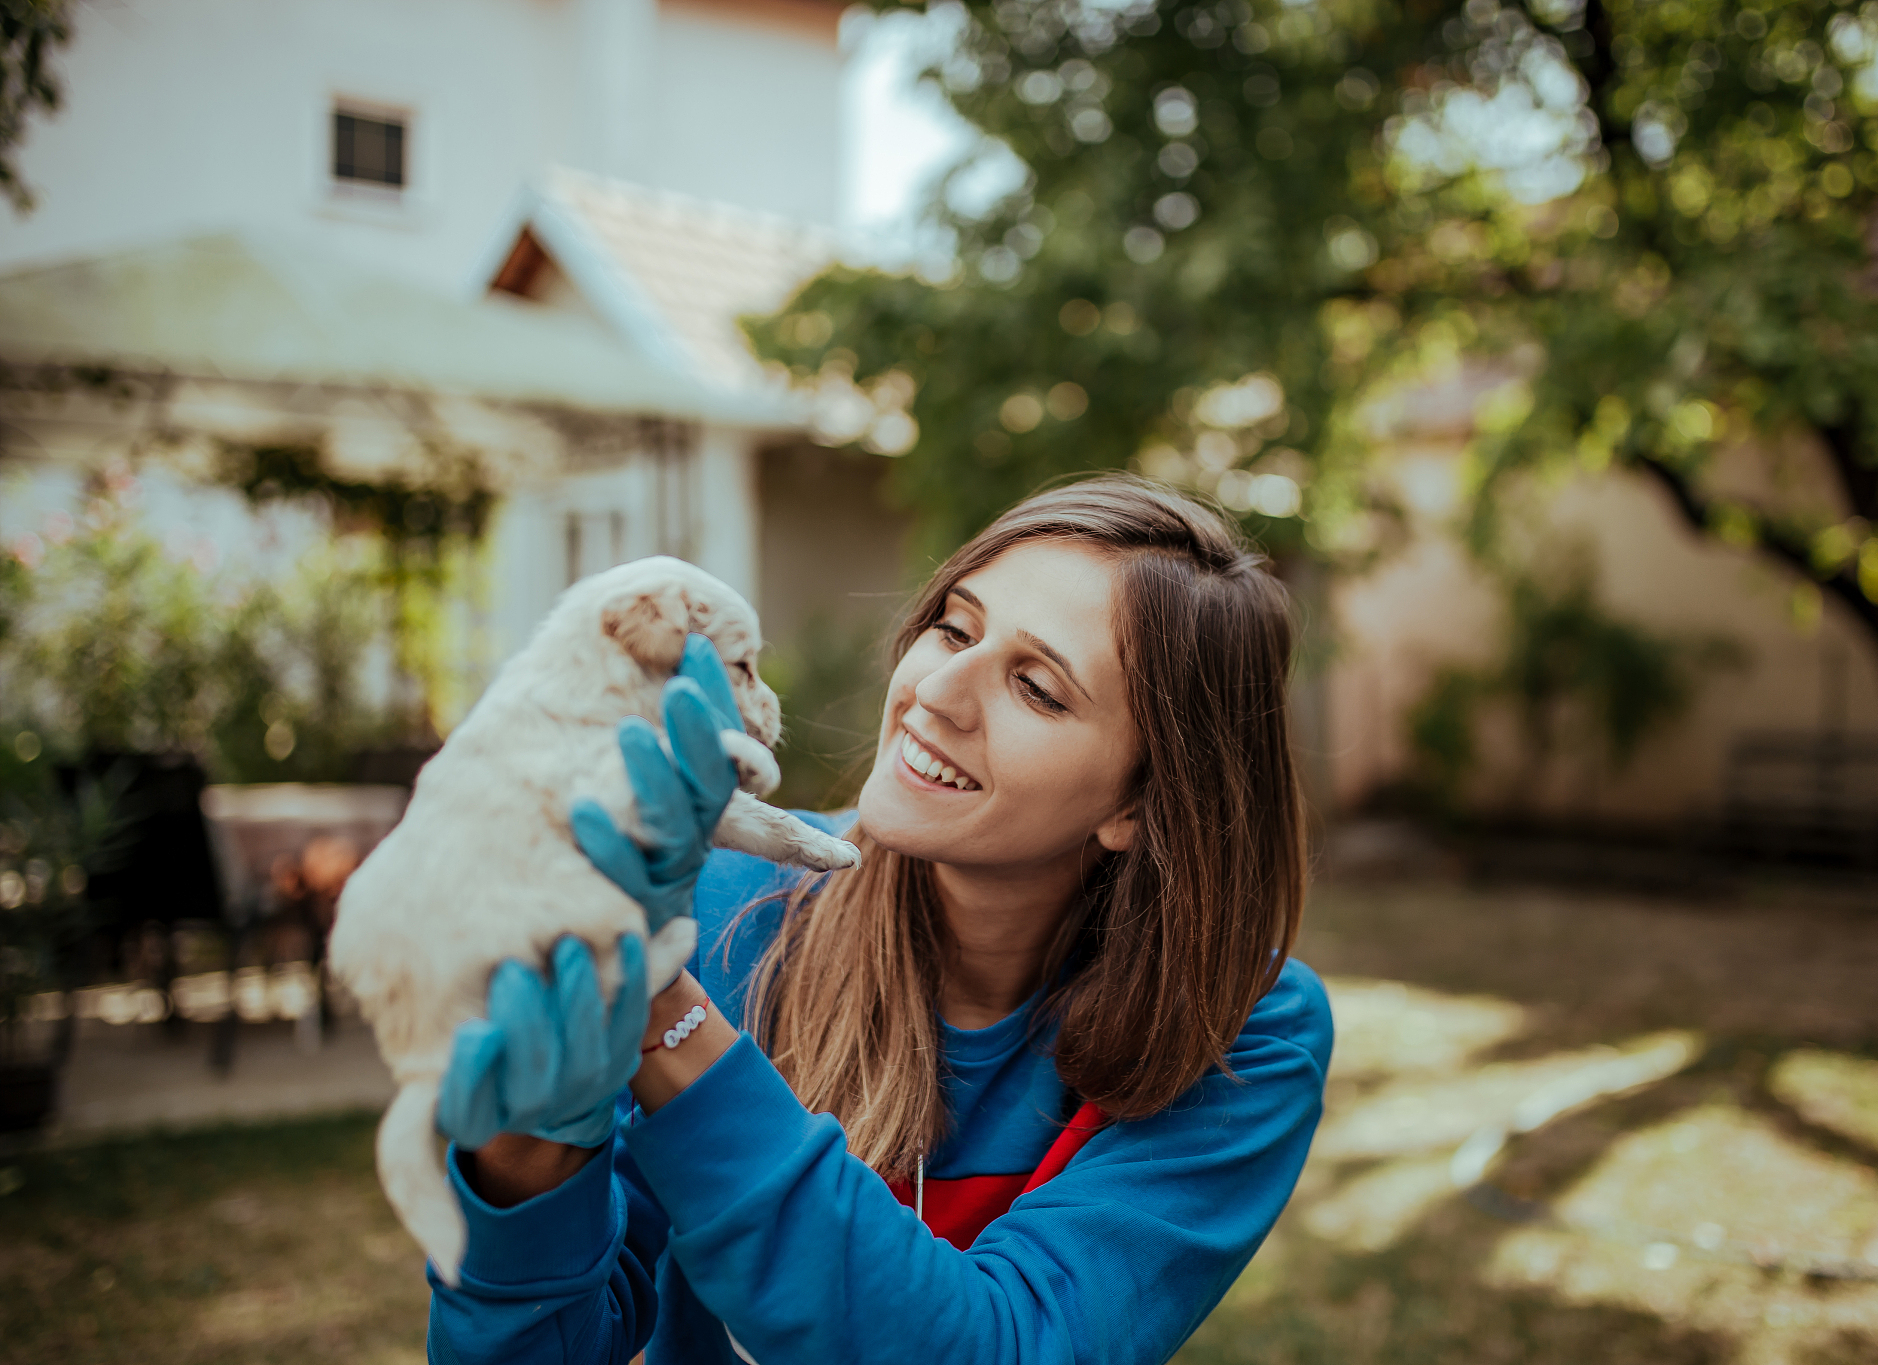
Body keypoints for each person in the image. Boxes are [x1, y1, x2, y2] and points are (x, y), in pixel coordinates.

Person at [426, 477, 1333, 1364]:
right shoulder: (716, 904)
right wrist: (531, 1133)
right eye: (955, 628)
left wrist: (664, 1012)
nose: (937, 692)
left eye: (1037, 687)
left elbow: (1007, 1346)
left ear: (1138, 801)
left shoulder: (1237, 1033)